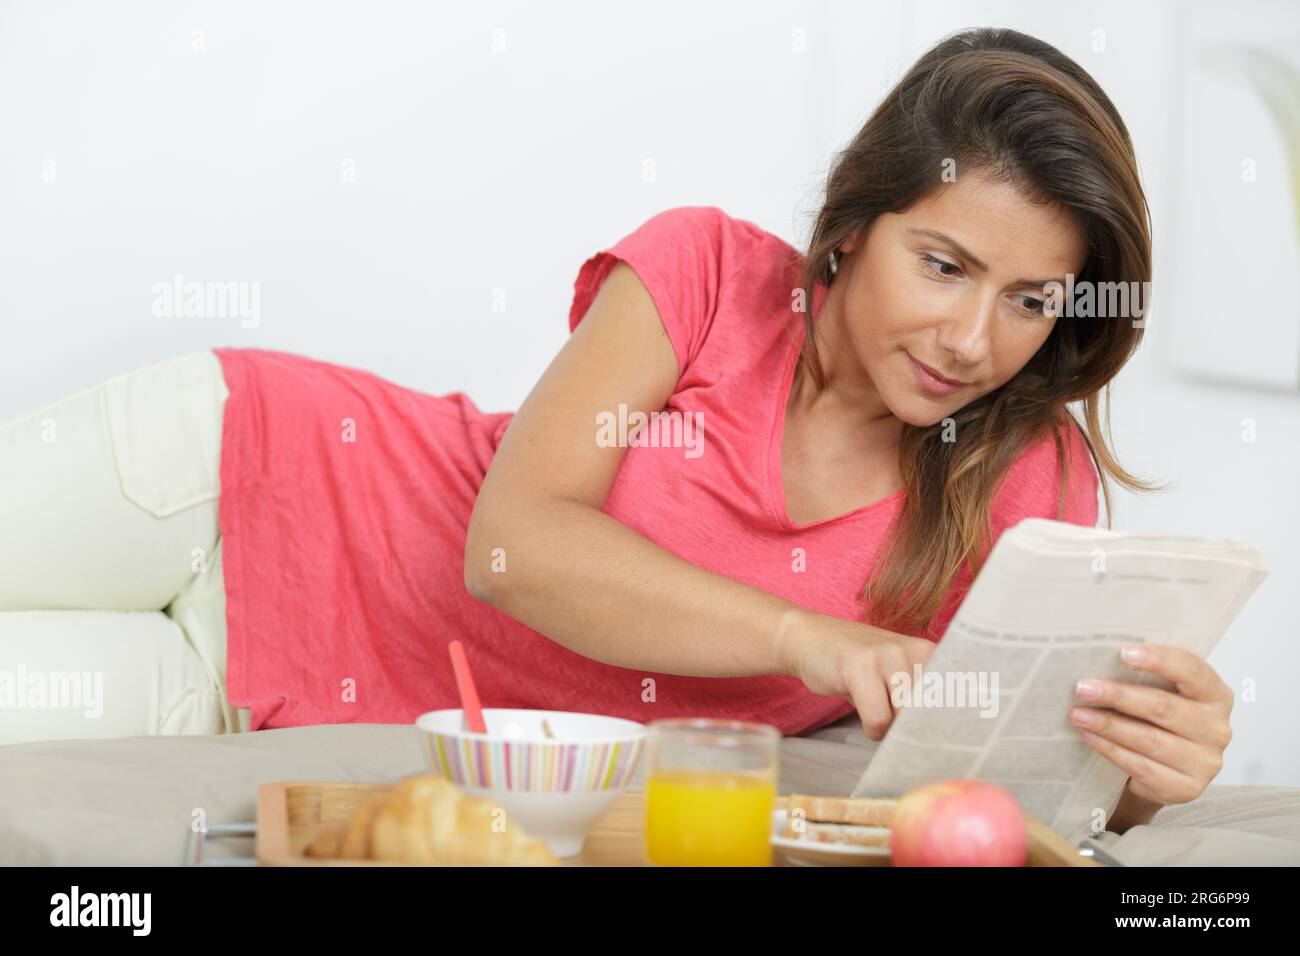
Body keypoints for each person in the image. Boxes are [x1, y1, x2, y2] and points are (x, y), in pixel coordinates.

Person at [0, 28, 1235, 832]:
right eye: (944, 262)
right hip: (221, 472)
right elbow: (513, 549)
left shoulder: (1024, 478)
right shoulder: (703, 272)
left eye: (1030, 300)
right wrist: (809, 637)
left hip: (248, 689)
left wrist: (1140, 769)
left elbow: (1007, 770)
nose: (974, 338)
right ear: (853, 228)